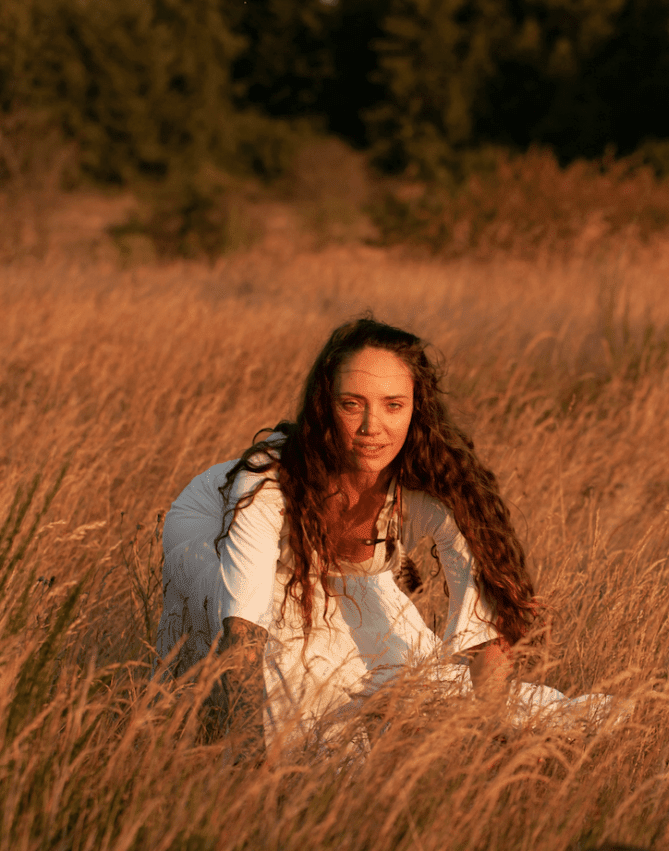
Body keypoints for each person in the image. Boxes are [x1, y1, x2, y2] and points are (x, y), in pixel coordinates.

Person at [156, 316, 617, 759]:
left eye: (393, 405)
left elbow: (482, 611)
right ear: (324, 406)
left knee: (413, 679)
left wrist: (491, 724)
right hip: (212, 531)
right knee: (301, 683)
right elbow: (244, 623)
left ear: (417, 408)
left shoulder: (431, 485)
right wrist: (252, 750)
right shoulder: (269, 478)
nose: (371, 427)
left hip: (337, 570)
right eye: (351, 404)